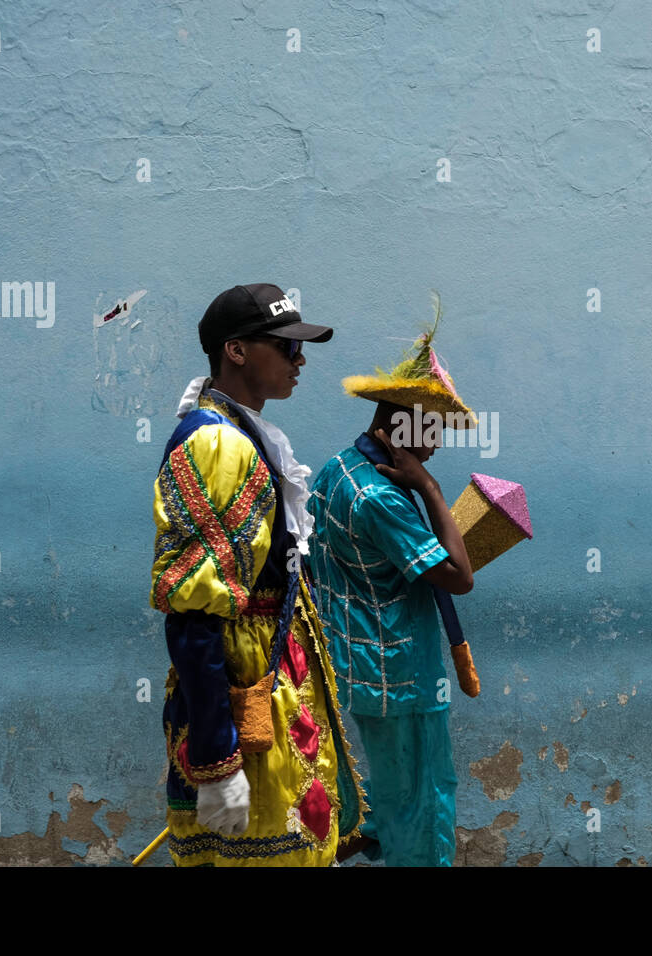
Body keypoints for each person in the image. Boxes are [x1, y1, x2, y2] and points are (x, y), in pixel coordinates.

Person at [151, 283, 364, 866]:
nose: (301, 361)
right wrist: (218, 760)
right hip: (247, 687)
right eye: (286, 347)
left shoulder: (247, 437)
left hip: (272, 675)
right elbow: (194, 611)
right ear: (236, 351)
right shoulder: (220, 445)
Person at [306, 313, 476, 866]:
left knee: (394, 799)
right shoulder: (387, 497)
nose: (436, 447)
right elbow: (459, 577)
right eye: (433, 432)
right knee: (423, 809)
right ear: (404, 425)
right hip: (401, 675)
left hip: (356, 667)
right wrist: (429, 488)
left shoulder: (337, 470)